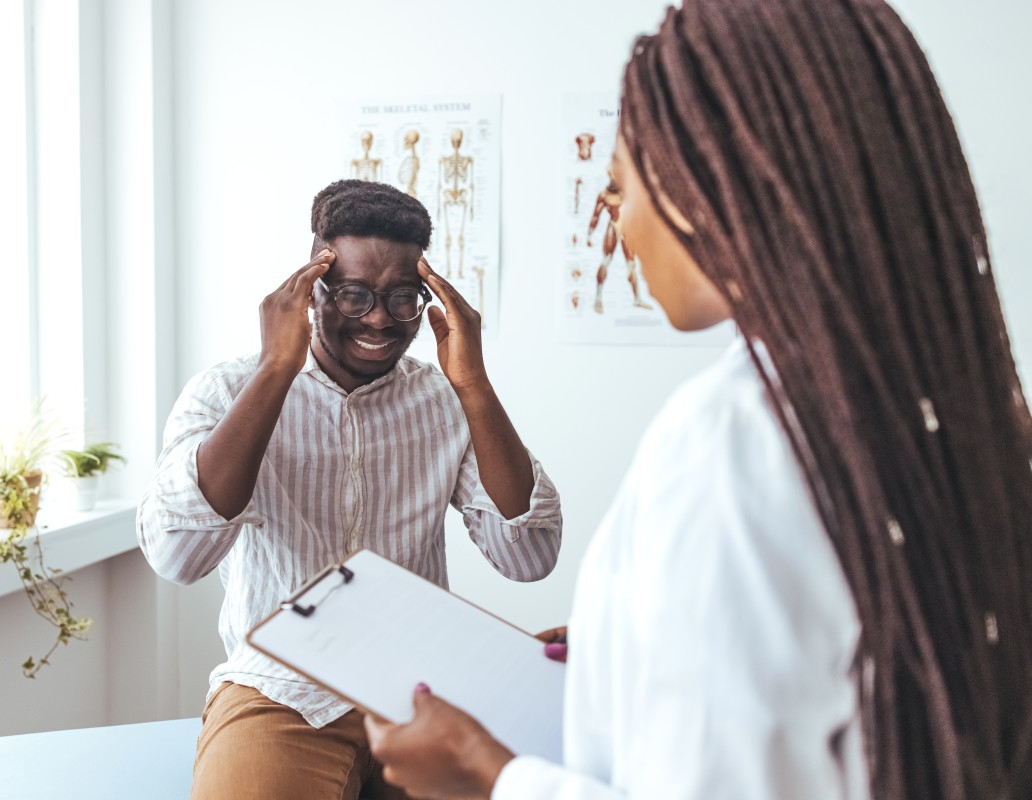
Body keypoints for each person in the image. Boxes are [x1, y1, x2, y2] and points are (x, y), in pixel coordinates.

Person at [363, 1, 1032, 799]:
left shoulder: (733, 443)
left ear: (709, 184)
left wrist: (486, 776)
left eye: (618, 184)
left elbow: (529, 549)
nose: (611, 216)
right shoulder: (970, 415)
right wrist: (631, 643)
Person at [136, 178, 563, 800]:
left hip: (425, 693)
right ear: (313, 290)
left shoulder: (445, 400)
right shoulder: (228, 391)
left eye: (403, 298)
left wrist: (472, 384)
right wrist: (277, 368)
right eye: (355, 294)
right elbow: (178, 558)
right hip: (281, 691)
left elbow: (529, 558)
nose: (380, 319)